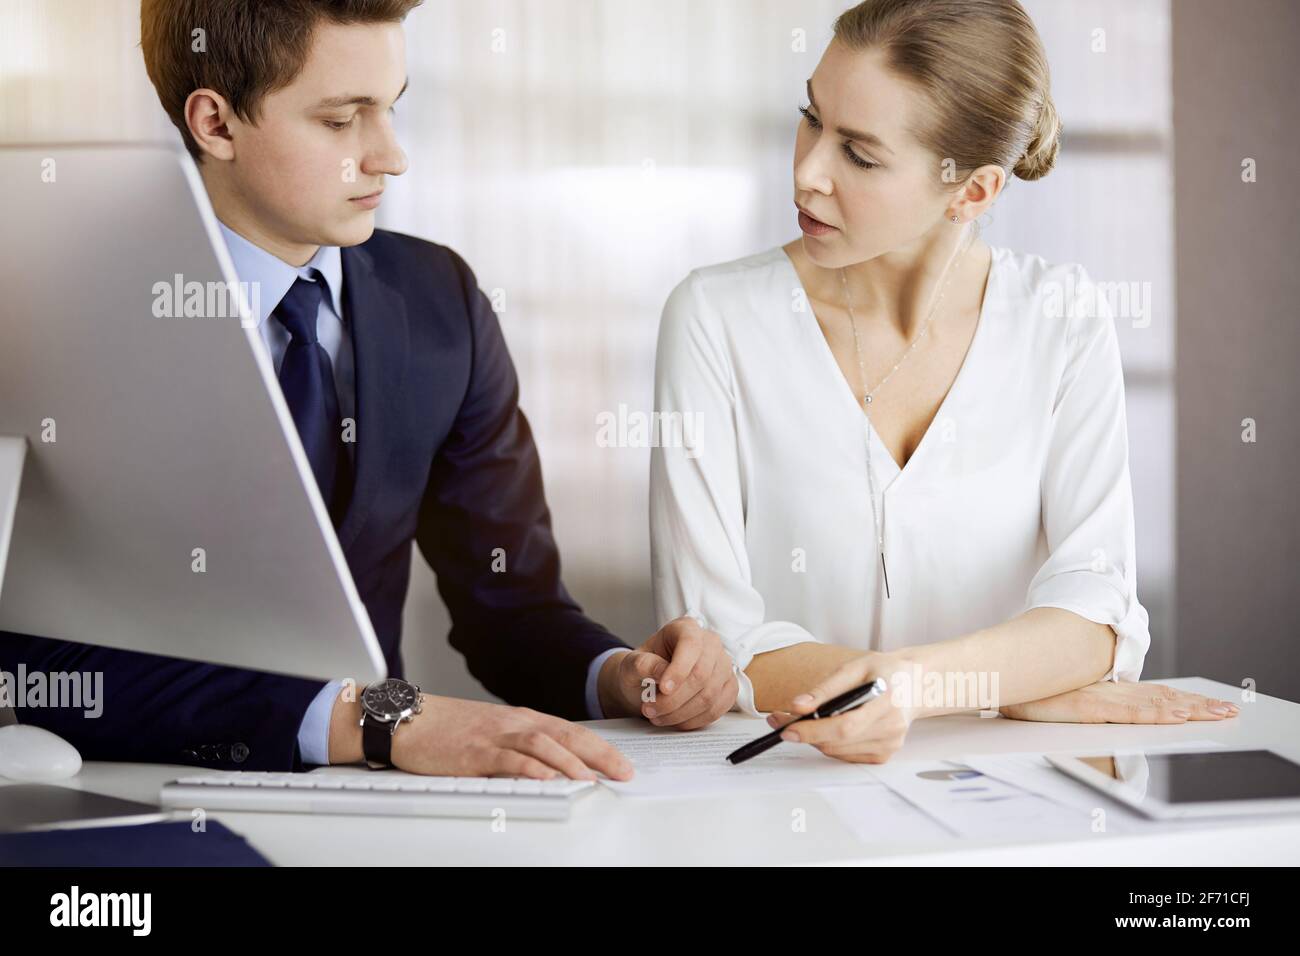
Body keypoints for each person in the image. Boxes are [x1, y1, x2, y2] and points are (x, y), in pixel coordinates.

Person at [1, 0, 739, 781]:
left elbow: (510, 606)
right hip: (130, 800)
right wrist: (383, 721)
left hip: (371, 810)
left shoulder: (439, 300)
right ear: (215, 124)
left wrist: (622, 675)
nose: (390, 156)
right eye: (342, 121)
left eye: (391, 108)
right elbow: (47, 666)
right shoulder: (58, 305)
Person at [650, 0, 1238, 765]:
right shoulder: (714, 316)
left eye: (859, 155)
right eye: (811, 117)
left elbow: (1094, 615)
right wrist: (1008, 684)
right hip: (780, 793)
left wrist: (922, 687)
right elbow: (714, 647)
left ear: (973, 191)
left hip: (1019, 804)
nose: (807, 171)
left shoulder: (1061, 317)